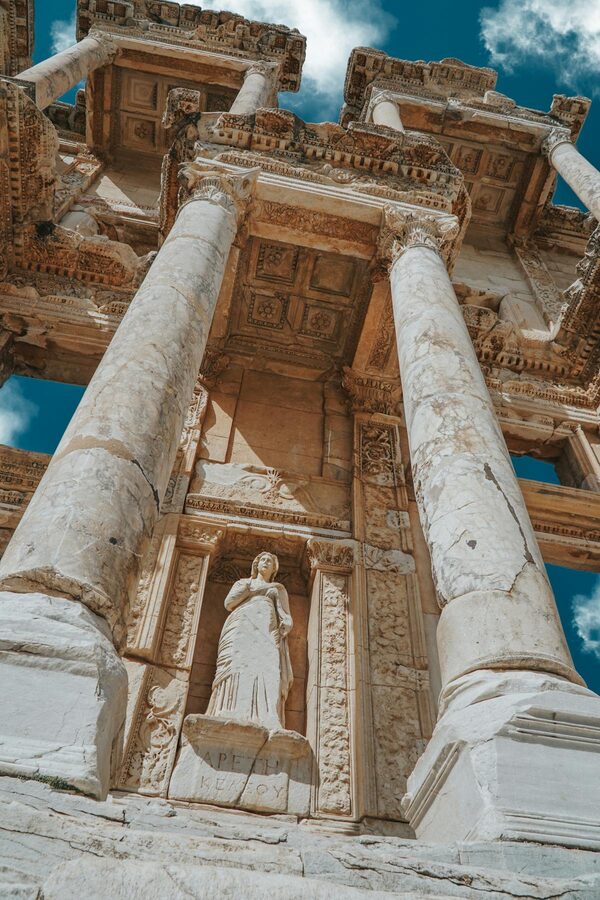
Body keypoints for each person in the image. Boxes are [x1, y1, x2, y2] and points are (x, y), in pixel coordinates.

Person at [207, 551, 293, 730]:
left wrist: (284, 627)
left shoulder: (277, 589)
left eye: (270, 561)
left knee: (266, 668)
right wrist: (249, 588)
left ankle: (266, 716)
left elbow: (286, 616)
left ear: (274, 569)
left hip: (266, 631)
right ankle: (226, 708)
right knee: (236, 663)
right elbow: (229, 603)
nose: (266, 563)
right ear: (256, 564)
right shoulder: (244, 583)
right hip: (240, 626)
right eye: (263, 559)